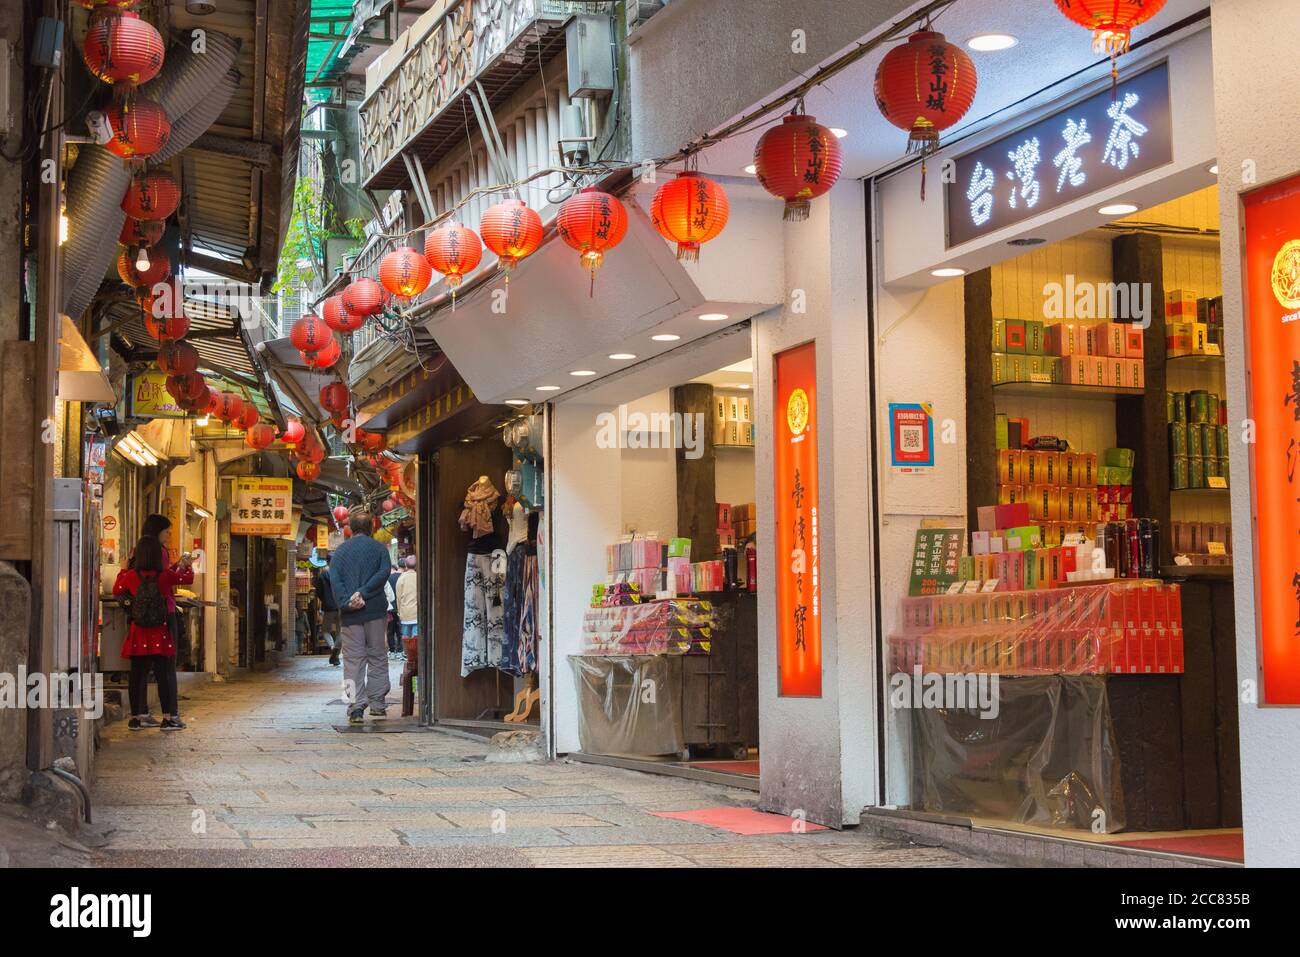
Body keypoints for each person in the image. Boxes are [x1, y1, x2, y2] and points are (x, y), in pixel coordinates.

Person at [114, 533, 193, 731]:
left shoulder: (131, 576)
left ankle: (135, 718)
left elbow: (117, 589)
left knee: (137, 674)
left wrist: (123, 568)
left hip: (138, 632)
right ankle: (168, 718)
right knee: (163, 675)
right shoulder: (164, 576)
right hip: (160, 632)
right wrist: (186, 564)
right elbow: (187, 578)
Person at [328, 511, 392, 723]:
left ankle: (354, 707)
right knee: (378, 656)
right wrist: (363, 593)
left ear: (350, 528)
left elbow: (335, 582)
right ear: (372, 527)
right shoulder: (380, 549)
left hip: (349, 615)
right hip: (374, 611)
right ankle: (378, 705)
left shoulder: (339, 552)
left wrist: (347, 601)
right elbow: (383, 574)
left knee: (352, 661)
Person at [314, 565, 341, 666]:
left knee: (325, 630)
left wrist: (325, 601)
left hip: (329, 608)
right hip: (340, 607)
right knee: (340, 632)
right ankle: (336, 655)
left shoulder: (322, 577)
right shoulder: (339, 575)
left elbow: (318, 593)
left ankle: (332, 647)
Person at [386, 564, 402, 656]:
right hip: (400, 607)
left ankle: (392, 649)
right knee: (400, 629)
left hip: (390, 608)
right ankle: (400, 649)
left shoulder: (388, 579)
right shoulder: (402, 577)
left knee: (390, 630)